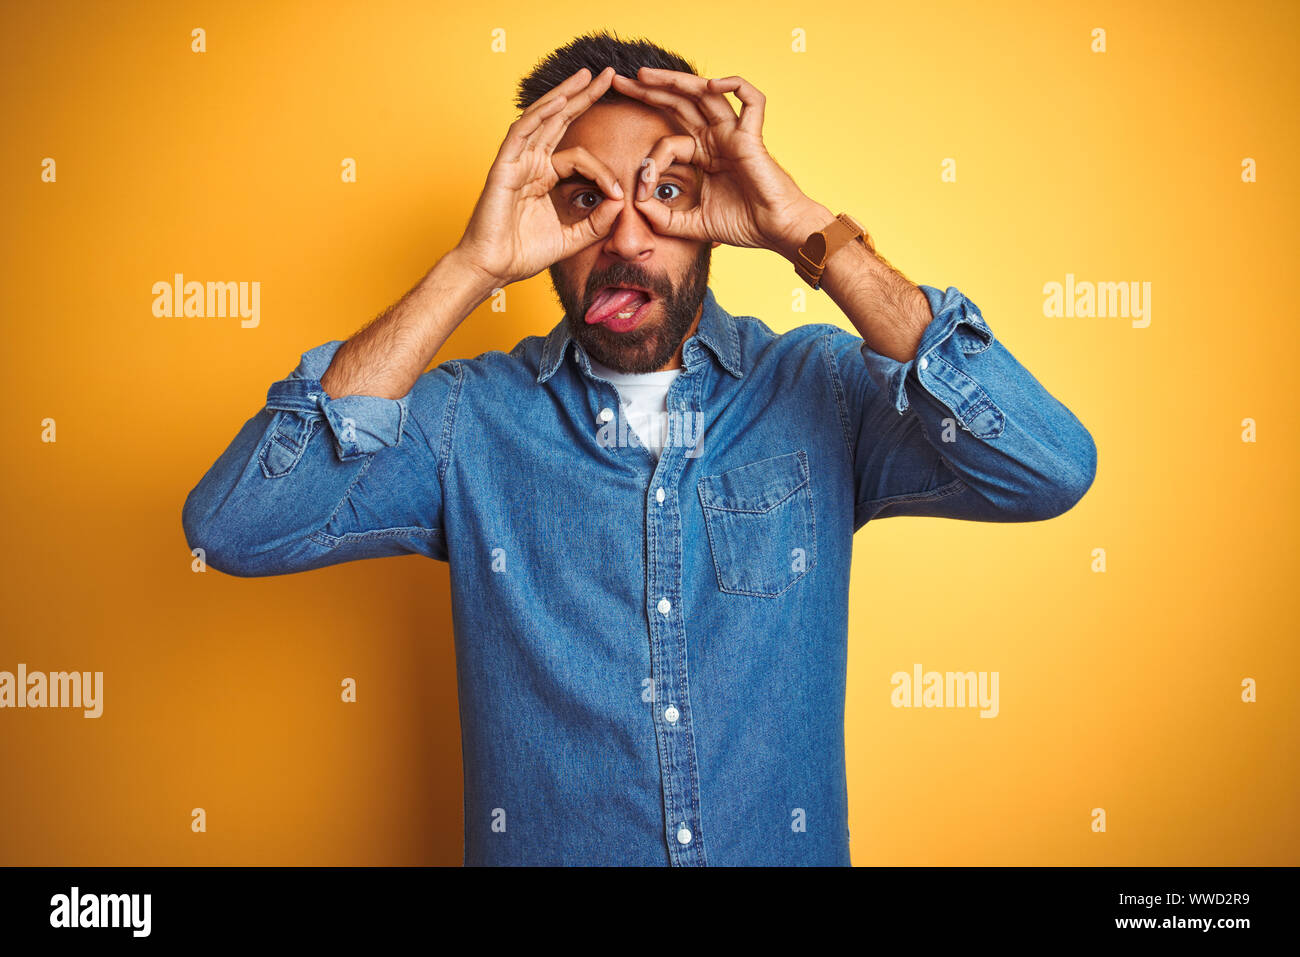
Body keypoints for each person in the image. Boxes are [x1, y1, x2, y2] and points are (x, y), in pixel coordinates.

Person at [182, 31, 1097, 866]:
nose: (626, 237)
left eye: (667, 193)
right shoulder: (469, 422)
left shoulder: (819, 390)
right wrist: (471, 266)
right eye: (585, 198)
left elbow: (1050, 465)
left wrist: (808, 232)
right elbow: (232, 528)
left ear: (717, 203)